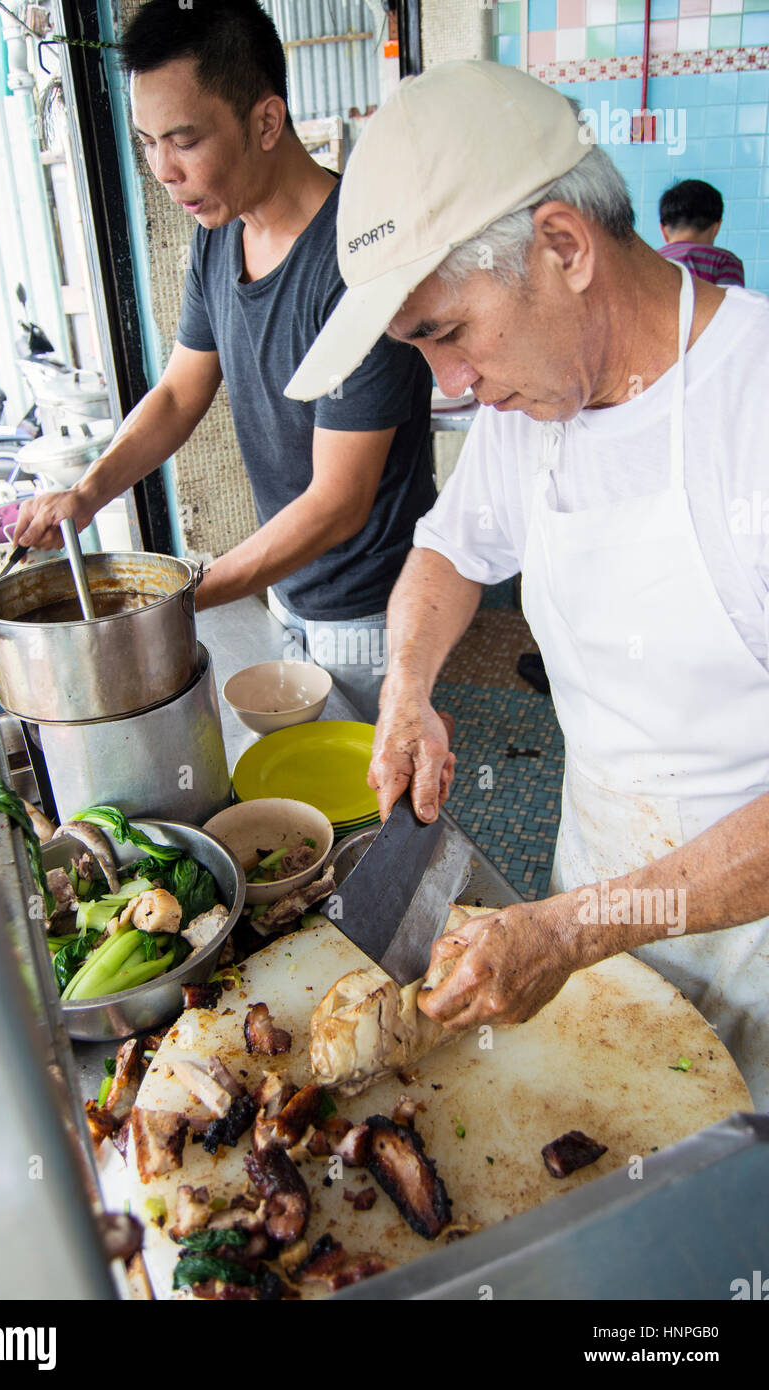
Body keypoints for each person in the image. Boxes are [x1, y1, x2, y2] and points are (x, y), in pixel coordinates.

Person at [285, 61, 769, 1107]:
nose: (450, 387)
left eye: (448, 333)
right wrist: (408, 692)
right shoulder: (529, 404)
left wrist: (579, 926)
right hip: (587, 919)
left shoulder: (755, 413)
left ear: (563, 246)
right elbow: (447, 551)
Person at [13, 0, 434, 722]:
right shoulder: (220, 229)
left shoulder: (359, 264)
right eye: (148, 142)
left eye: (184, 140)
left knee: (367, 800)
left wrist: (175, 599)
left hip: (369, 604)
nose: (164, 172)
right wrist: (87, 495)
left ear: (266, 122)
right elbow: (180, 393)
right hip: (292, 581)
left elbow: (339, 502)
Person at [657, 178, 744, 287]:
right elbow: (732, 303)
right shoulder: (724, 261)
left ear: (663, 230)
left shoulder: (650, 261)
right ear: (716, 227)